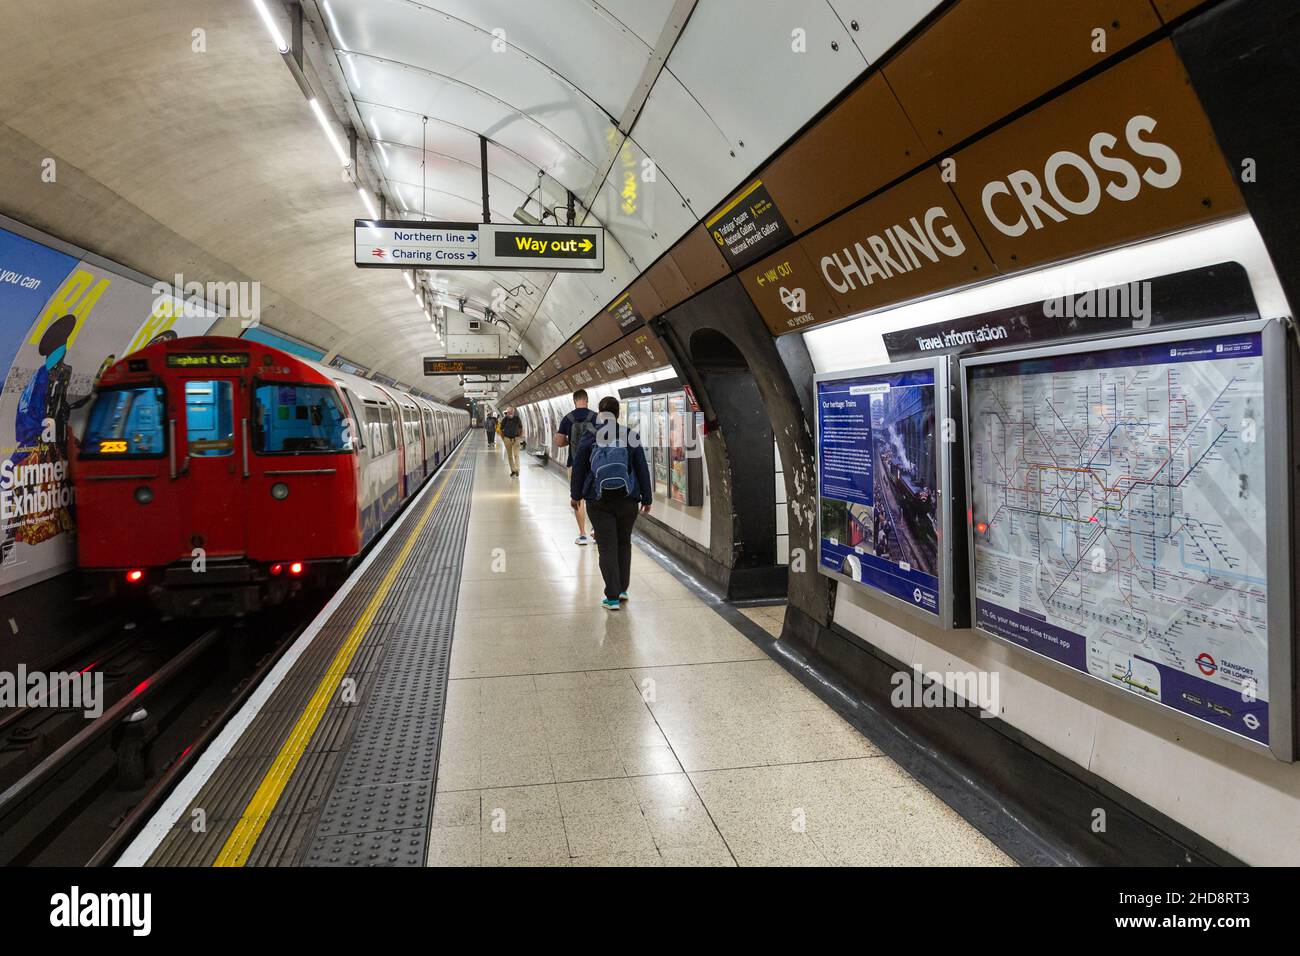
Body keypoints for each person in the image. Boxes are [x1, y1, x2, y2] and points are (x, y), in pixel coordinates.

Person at [570, 397, 652, 610]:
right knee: (624, 543)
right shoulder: (630, 435)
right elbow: (641, 467)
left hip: (599, 500)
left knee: (607, 546)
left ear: (599, 413)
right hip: (628, 499)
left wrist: (575, 495)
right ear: (618, 414)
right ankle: (622, 589)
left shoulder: (590, 436)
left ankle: (612, 597)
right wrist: (647, 497)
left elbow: (579, 468)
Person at [556, 388, 598, 545]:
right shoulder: (595, 417)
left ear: (574, 401)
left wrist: (571, 442)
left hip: (574, 463)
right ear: (587, 400)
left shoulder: (567, 419)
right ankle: (595, 530)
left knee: (577, 497)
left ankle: (582, 535)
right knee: (594, 496)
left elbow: (559, 442)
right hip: (594, 464)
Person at [499, 405, 523, 477]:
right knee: (510, 456)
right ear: (507, 412)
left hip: (516, 439)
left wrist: (520, 437)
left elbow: (521, 428)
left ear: (513, 411)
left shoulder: (517, 418)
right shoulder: (505, 419)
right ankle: (513, 470)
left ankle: (517, 470)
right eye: (508, 412)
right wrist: (503, 438)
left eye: (511, 412)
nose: (510, 413)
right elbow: (501, 429)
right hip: (507, 439)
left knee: (516, 455)